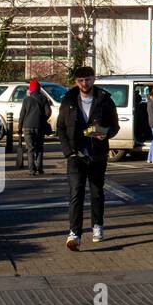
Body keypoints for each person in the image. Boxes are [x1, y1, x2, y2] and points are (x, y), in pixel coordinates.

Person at [56, 66, 119, 250]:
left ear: (94, 79)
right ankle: (74, 233)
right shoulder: (68, 99)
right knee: (76, 193)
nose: (85, 83)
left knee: (97, 192)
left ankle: (97, 225)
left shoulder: (104, 100)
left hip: (97, 154)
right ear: (76, 82)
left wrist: (105, 133)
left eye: (88, 79)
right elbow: (60, 127)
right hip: (76, 155)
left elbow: (114, 126)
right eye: (81, 80)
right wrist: (68, 151)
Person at [17, 79, 53, 175]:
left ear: (31, 89)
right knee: (40, 147)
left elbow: (22, 115)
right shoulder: (44, 99)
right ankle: (40, 169)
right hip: (40, 126)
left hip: (27, 126)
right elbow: (48, 112)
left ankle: (32, 170)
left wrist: (19, 128)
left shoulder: (26, 100)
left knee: (30, 149)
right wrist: (42, 119)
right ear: (39, 88)